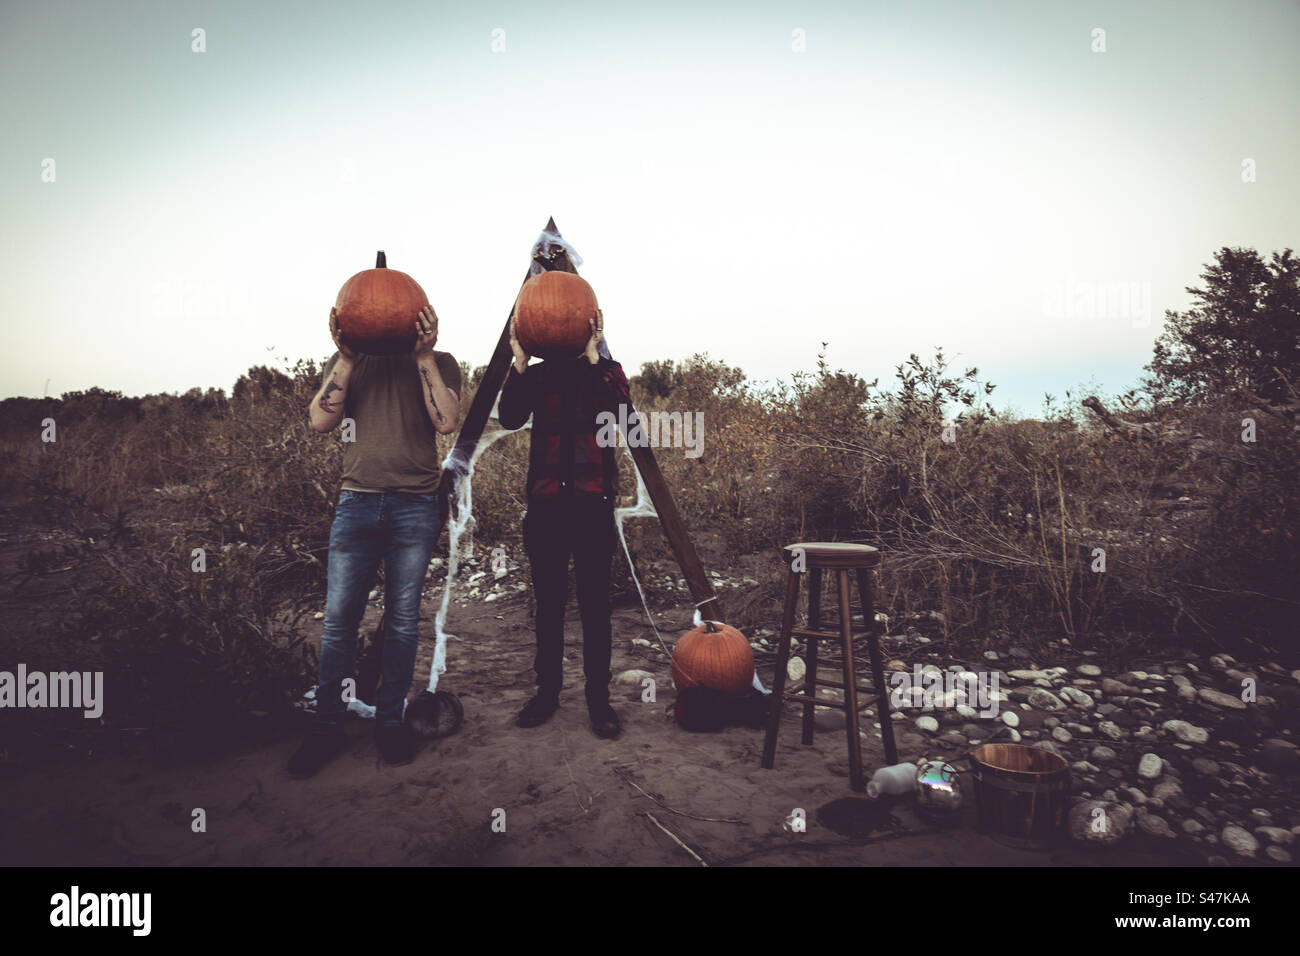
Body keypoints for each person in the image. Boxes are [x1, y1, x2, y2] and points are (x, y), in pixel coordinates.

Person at [288, 305, 461, 778]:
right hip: (357, 503)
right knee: (340, 620)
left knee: (403, 621)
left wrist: (423, 356)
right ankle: (326, 727)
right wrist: (344, 357)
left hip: (415, 506)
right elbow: (319, 421)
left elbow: (446, 422)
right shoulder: (350, 363)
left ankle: (389, 722)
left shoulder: (441, 362)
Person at [498, 304, 626, 738]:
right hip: (547, 507)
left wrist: (595, 357)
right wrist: (518, 361)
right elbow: (511, 415)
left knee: (595, 608)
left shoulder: (606, 373)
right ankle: (547, 693)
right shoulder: (537, 376)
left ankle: (599, 701)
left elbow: (623, 419)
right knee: (549, 606)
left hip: (592, 506)